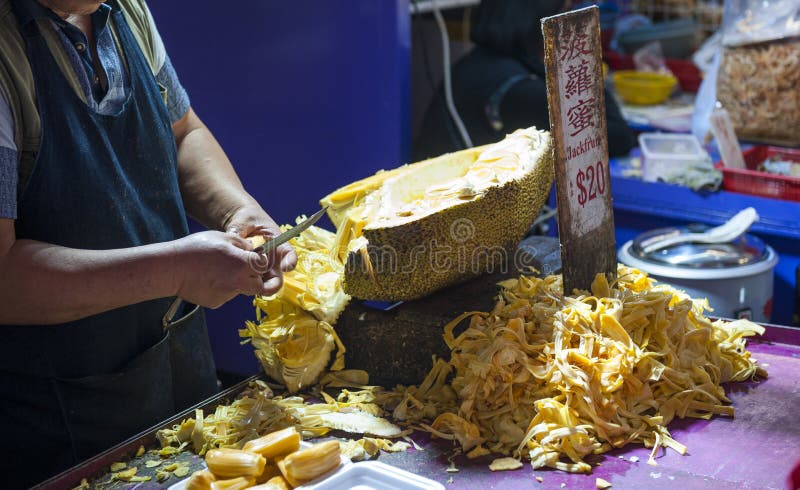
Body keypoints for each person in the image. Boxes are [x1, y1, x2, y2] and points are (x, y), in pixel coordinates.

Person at [0, 0, 296, 486]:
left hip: (178, 383)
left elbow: (183, 133)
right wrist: (175, 271)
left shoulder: (122, 10)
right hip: (61, 428)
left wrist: (234, 210)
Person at [414, 0, 634, 161]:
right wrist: (583, 63)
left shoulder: (481, 62)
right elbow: (618, 137)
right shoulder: (518, 91)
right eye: (565, 11)